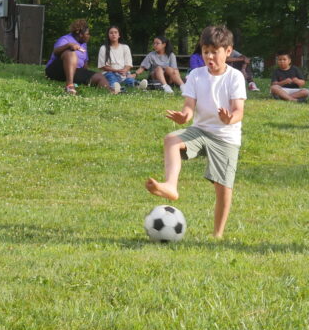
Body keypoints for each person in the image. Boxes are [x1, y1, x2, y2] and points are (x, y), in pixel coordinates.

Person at [145, 25, 246, 239]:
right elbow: (189, 105)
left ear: (228, 51)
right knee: (171, 139)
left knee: (223, 188)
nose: (209, 56)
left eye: (214, 52)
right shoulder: (196, 75)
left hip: (226, 137)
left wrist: (230, 118)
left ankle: (217, 234)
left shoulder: (235, 77)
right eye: (205, 51)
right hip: (200, 130)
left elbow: (239, 111)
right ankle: (171, 186)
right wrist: (184, 116)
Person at [44, 19, 112, 95]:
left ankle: (111, 91)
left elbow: (85, 63)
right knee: (70, 53)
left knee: (99, 76)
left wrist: (85, 76)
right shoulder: (65, 39)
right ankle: (69, 86)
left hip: (74, 71)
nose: (89, 36)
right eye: (87, 34)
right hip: (56, 70)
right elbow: (55, 51)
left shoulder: (84, 44)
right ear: (80, 34)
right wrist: (69, 45)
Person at [96, 25, 136, 93]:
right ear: (108, 35)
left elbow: (128, 63)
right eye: (111, 33)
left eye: (115, 32)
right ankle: (116, 88)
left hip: (123, 74)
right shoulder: (103, 48)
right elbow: (103, 66)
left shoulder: (125, 47)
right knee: (111, 78)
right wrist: (116, 70)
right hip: (109, 72)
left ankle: (137, 85)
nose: (113, 34)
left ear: (119, 35)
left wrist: (124, 70)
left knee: (130, 80)